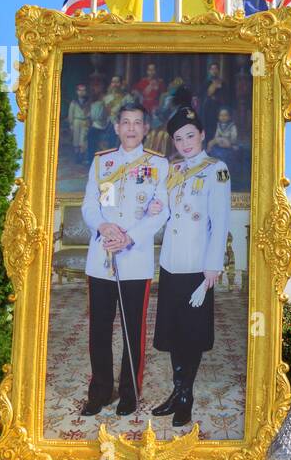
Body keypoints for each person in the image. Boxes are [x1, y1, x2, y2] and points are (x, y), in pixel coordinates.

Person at [79, 102, 169, 417]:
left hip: (135, 258)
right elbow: (90, 203)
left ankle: (130, 392)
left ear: (146, 129)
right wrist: (103, 226)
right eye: (125, 122)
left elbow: (162, 211)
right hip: (102, 256)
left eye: (137, 123)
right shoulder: (102, 163)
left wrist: (129, 237)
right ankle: (100, 390)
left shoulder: (158, 165)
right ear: (116, 127)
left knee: (133, 328)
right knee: (99, 329)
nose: (131, 128)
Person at [152, 107, 230, 428]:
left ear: (201, 135)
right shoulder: (172, 172)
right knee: (173, 332)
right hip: (172, 262)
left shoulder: (216, 170)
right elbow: (167, 215)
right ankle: (178, 391)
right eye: (178, 138)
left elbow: (220, 221)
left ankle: (187, 397)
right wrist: (156, 207)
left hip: (198, 266)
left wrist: (213, 266)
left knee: (192, 335)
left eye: (189, 136)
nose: (184, 143)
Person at [67, 83, 91, 162]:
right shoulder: (74, 102)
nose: (82, 92)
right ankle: (77, 155)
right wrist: (71, 124)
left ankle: (81, 155)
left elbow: (90, 111)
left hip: (84, 121)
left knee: (83, 139)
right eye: (80, 90)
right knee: (76, 138)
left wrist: (88, 119)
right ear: (77, 92)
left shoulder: (88, 102)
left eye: (83, 90)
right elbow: (71, 113)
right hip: (76, 121)